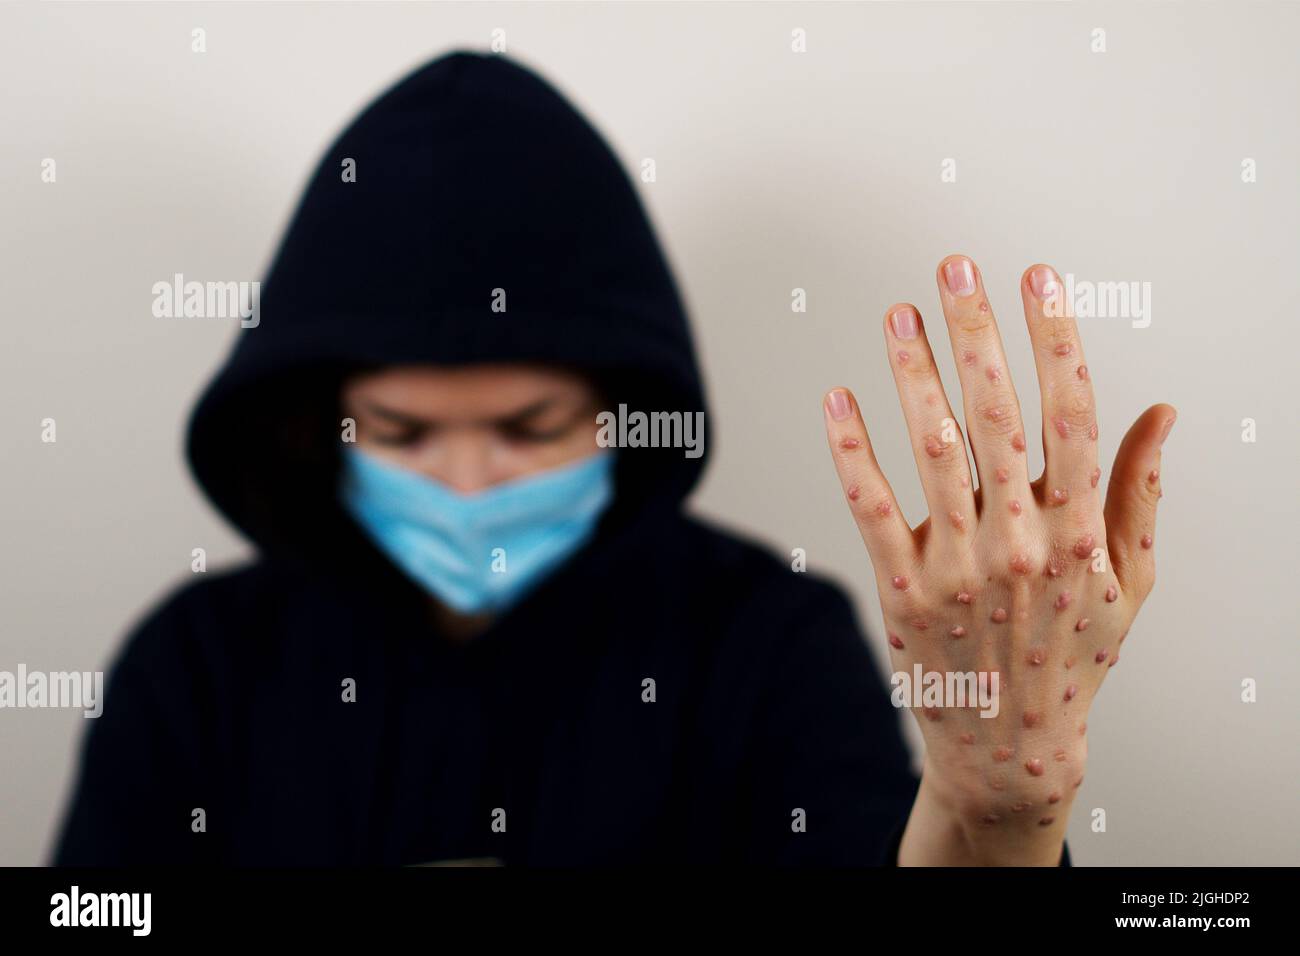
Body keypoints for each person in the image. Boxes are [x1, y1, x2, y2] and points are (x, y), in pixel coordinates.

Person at [53, 51, 1172, 866]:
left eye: (530, 424)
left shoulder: (766, 641)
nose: (467, 475)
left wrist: (994, 818)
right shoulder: (191, 667)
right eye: (398, 431)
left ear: (623, 407)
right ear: (315, 419)